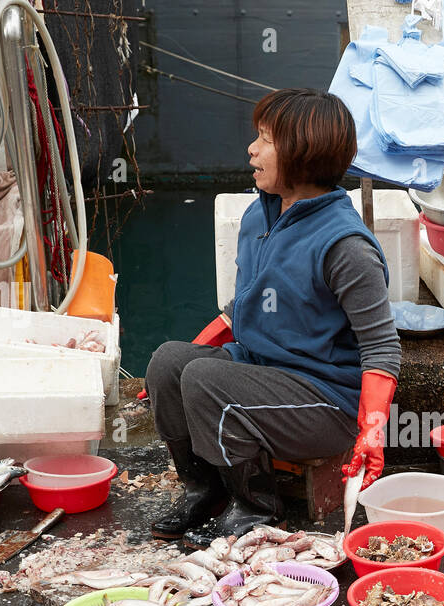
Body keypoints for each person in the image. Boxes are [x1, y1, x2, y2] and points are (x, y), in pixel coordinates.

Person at [146, 87, 399, 548]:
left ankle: (256, 509)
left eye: (265, 139)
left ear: (302, 154)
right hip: (263, 370)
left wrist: (372, 434)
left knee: (203, 379)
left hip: (323, 398)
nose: (252, 149)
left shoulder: (345, 246)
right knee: (169, 362)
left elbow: (382, 347)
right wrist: (177, 369)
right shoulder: (258, 215)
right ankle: (205, 492)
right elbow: (239, 307)